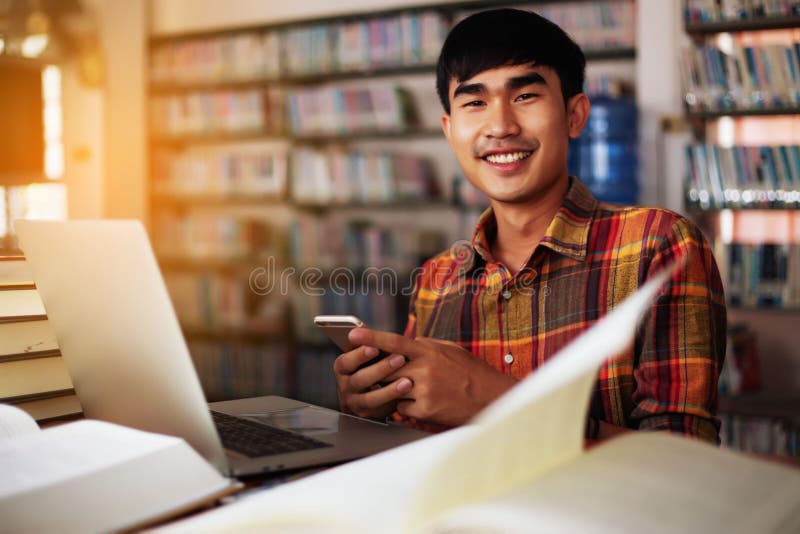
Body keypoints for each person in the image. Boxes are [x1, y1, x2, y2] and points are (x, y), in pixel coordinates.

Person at [333, 8, 726, 444]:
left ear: (575, 116)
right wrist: (371, 412)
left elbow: (685, 465)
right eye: (474, 102)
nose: (500, 126)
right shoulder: (436, 280)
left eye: (525, 96)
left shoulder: (659, 247)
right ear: (449, 130)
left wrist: (492, 401)